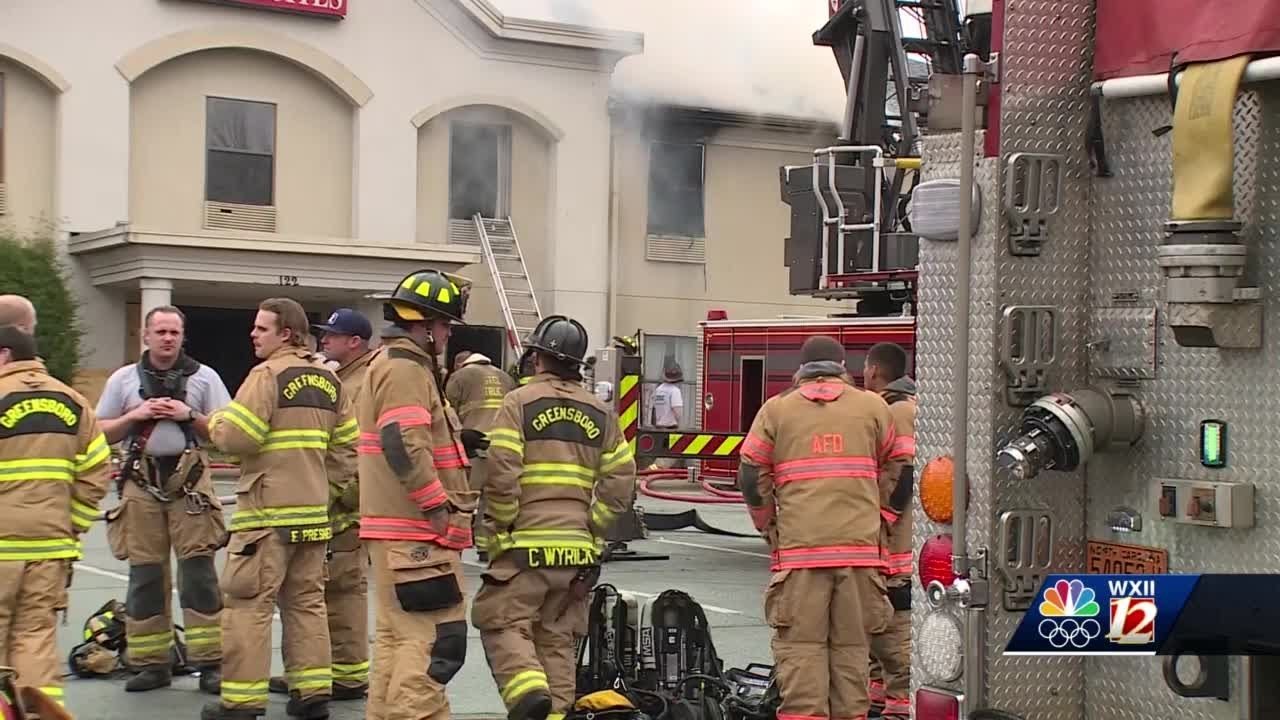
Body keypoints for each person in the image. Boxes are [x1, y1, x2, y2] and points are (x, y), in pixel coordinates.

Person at [471, 315, 637, 720]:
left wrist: (501, 527)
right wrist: (593, 526)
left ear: (538, 357)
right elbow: (621, 480)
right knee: (557, 638)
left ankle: (528, 692)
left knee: (501, 621)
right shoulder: (600, 412)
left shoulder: (518, 403)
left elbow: (502, 470)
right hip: (576, 552)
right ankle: (555, 713)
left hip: (525, 545)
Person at [737, 336, 910, 720]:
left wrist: (769, 526)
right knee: (852, 655)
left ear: (801, 370)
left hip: (801, 557)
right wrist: (883, 516)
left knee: (801, 655)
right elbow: (902, 466)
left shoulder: (776, 410)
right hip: (860, 558)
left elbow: (750, 474)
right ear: (843, 367)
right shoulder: (873, 407)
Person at [202, 298, 359, 720]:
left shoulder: (266, 375)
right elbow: (348, 448)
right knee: (306, 604)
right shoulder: (331, 381)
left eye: (261, 328)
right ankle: (312, 695)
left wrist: (215, 421)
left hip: (265, 517)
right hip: (313, 516)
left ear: (286, 333)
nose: (253, 334)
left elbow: (238, 438)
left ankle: (241, 702)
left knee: (247, 606)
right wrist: (326, 491)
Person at [357, 269, 484, 720]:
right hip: (416, 534)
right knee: (435, 647)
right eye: (445, 324)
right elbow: (402, 442)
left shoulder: (392, 365)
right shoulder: (406, 370)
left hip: (396, 533)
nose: (448, 335)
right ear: (425, 325)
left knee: (399, 644)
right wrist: (437, 508)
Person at [96, 306, 232, 694]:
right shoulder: (123, 379)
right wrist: (135, 416)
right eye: (161, 332)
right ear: (146, 335)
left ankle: (210, 662)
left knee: (198, 574)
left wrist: (189, 415)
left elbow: (227, 431)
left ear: (183, 336)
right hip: (140, 483)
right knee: (145, 576)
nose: (168, 338)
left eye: (174, 332)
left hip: (189, 485)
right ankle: (151, 664)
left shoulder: (205, 378)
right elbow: (99, 432)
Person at [0, 323, 113, 714]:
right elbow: (97, 470)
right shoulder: (73, 402)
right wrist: (72, 523)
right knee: (35, 638)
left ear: (4, 355)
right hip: (50, 547)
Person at [266, 308, 376, 701]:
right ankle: (342, 672)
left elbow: (349, 449)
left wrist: (328, 494)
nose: (324, 340)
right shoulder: (345, 376)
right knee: (337, 592)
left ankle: (335, 674)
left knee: (335, 592)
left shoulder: (358, 383)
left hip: (341, 502)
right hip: (343, 498)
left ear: (355, 342)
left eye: (332, 335)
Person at [862, 342, 916, 720]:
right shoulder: (892, 407)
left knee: (893, 619)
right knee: (876, 617)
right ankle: (879, 691)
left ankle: (899, 703)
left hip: (894, 539)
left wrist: (883, 517)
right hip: (887, 535)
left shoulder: (898, 410)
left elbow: (904, 470)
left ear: (874, 370)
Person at [445, 352, 516, 561]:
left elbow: (448, 413)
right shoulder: (505, 377)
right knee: (491, 500)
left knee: (464, 499)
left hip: (472, 445)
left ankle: (455, 545)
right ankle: (485, 548)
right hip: (501, 446)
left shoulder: (459, 377)